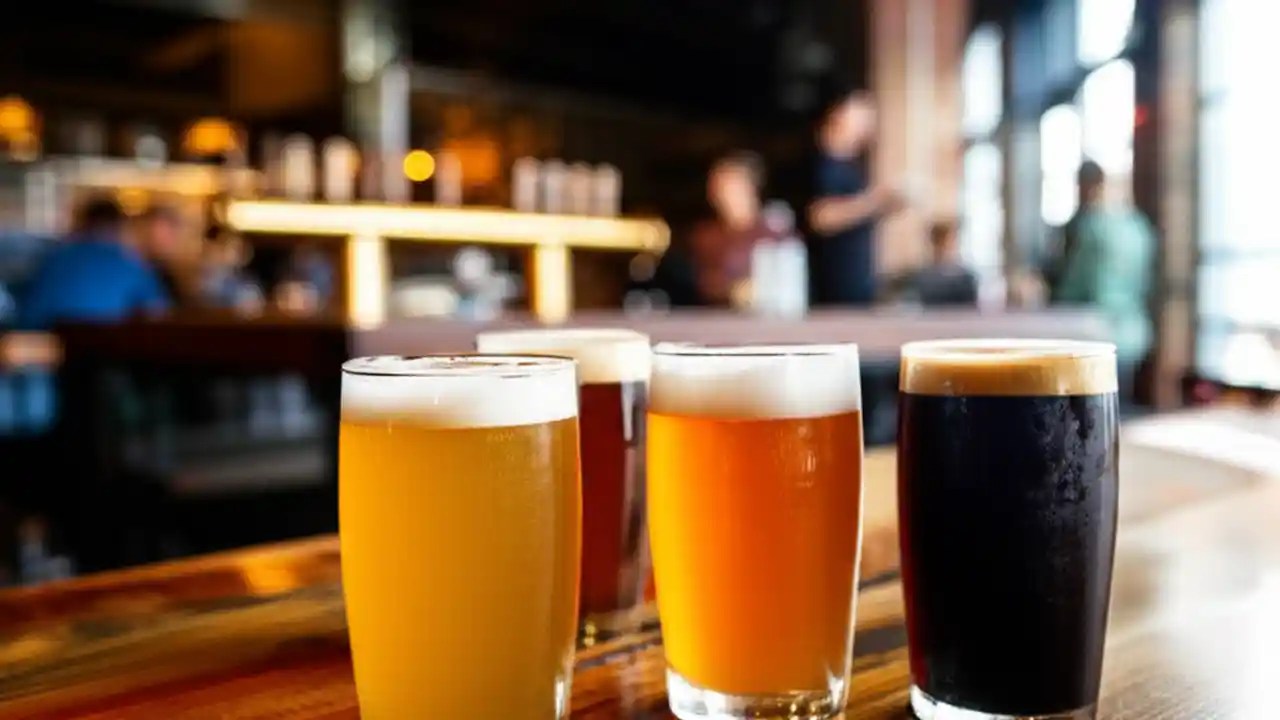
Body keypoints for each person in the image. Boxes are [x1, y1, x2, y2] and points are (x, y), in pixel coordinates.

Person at [1052, 160, 1155, 397]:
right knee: (1119, 399)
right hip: (1135, 330)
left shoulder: (1091, 228)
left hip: (1095, 331)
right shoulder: (1138, 227)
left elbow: (1074, 285)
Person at [808, 91, 904, 306]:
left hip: (858, 281)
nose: (869, 122)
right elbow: (821, 218)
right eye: (862, 114)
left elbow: (856, 213)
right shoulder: (824, 164)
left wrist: (886, 205)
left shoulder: (852, 164)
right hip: (833, 284)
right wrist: (874, 201)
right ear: (839, 114)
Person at [18, 197, 170, 329]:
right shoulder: (133, 264)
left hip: (43, 343)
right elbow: (158, 315)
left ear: (81, 222)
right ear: (119, 226)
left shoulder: (52, 257)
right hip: (104, 347)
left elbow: (27, 313)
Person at [688, 151, 781, 306]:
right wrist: (732, 290)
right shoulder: (705, 236)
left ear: (750, 188)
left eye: (729, 186)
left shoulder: (776, 235)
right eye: (716, 187)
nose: (720, 194)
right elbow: (699, 283)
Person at [910, 219, 978, 307]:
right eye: (945, 241)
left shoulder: (966, 277)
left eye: (953, 240)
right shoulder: (924, 277)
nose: (952, 245)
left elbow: (971, 306)